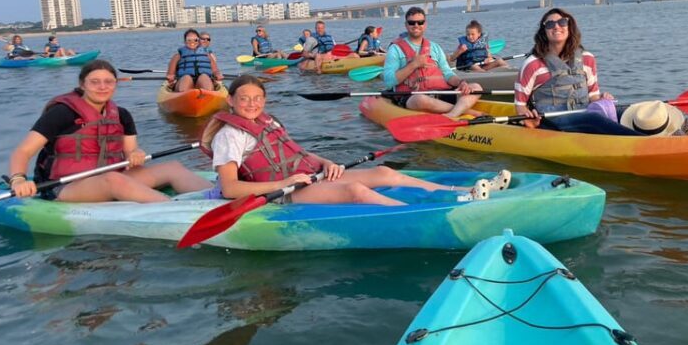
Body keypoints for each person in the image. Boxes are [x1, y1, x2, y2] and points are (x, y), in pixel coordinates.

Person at [200, 76, 496, 204]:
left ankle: (462, 191)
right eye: (244, 99)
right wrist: (281, 185)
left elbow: (296, 153)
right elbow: (229, 188)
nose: (251, 104)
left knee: (384, 172)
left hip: (306, 177)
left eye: (257, 98)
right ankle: (433, 213)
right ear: (230, 100)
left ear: (264, 100)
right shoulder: (230, 135)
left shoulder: (269, 121)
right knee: (356, 190)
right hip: (279, 195)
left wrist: (327, 163)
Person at [7, 60, 212, 203]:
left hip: (112, 176)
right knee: (114, 180)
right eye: (95, 82)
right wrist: (18, 179)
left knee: (173, 167)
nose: (102, 87)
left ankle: (221, 199)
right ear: (82, 84)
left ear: (115, 84)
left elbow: (130, 151)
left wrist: (135, 154)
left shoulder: (121, 114)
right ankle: (177, 211)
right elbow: (23, 152)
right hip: (66, 186)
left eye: (108, 82)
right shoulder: (61, 113)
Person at [514, 8, 641, 135]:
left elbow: (593, 97)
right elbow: (520, 104)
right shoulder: (532, 64)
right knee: (593, 120)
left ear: (569, 27)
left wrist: (602, 99)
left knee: (628, 112)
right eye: (550, 24)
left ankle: (650, 139)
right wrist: (528, 118)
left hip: (584, 112)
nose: (556, 27)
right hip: (552, 120)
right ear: (544, 31)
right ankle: (644, 145)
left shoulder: (587, 58)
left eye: (562, 22)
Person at [383, 7, 483, 118]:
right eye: (412, 22)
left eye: (420, 22)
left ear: (425, 25)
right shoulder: (395, 49)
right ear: (406, 25)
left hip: (441, 93)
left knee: (476, 87)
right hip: (412, 96)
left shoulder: (435, 47)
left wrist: (461, 83)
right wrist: (413, 65)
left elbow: (447, 74)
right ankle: (467, 112)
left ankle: (452, 114)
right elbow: (389, 81)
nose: (416, 25)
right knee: (420, 99)